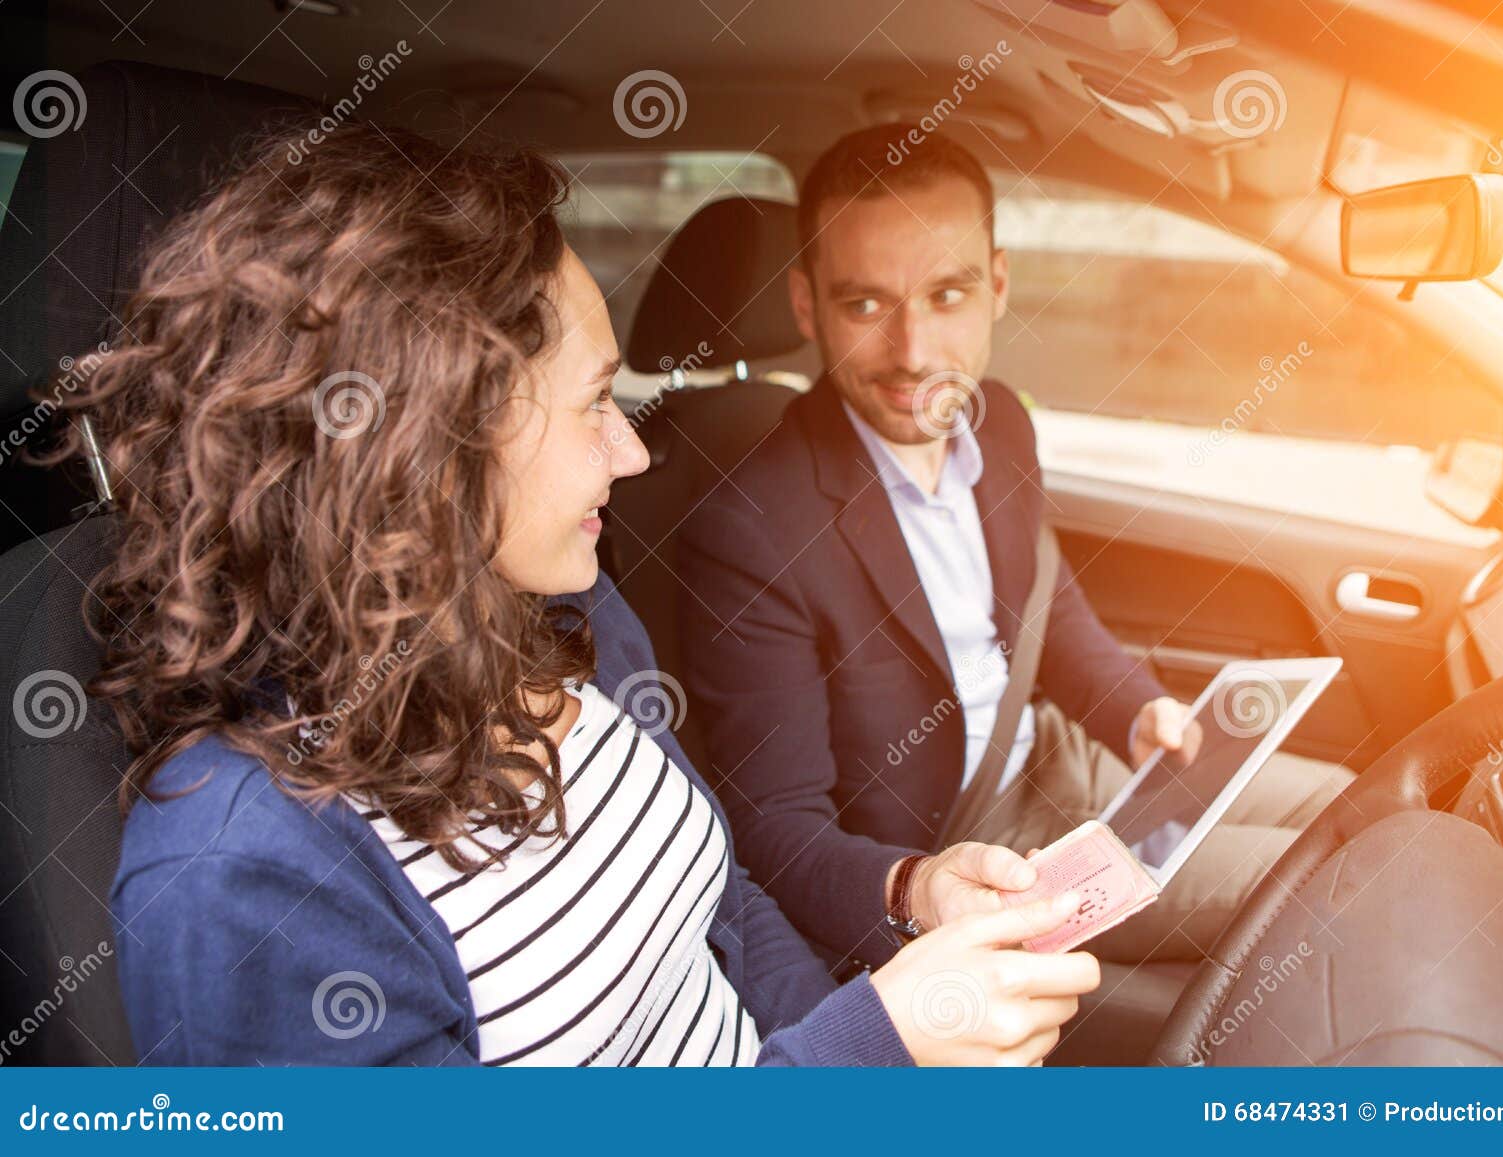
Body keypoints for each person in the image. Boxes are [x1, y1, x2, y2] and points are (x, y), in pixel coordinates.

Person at [58, 122, 1100, 1066]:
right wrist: (873, 1048)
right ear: (426, 451)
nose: (632, 452)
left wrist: (873, 1030)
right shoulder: (247, 875)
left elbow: (725, 908)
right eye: (595, 401)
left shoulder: (566, 616)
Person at [676, 124, 1355, 973]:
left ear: (997, 284)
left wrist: (1135, 712)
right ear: (807, 305)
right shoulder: (751, 529)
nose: (913, 353)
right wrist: (917, 888)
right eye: (865, 306)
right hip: (964, 848)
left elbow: (1045, 605)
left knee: (1353, 805)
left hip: (1060, 753)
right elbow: (775, 829)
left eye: (946, 295)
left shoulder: (998, 421)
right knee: (1335, 875)